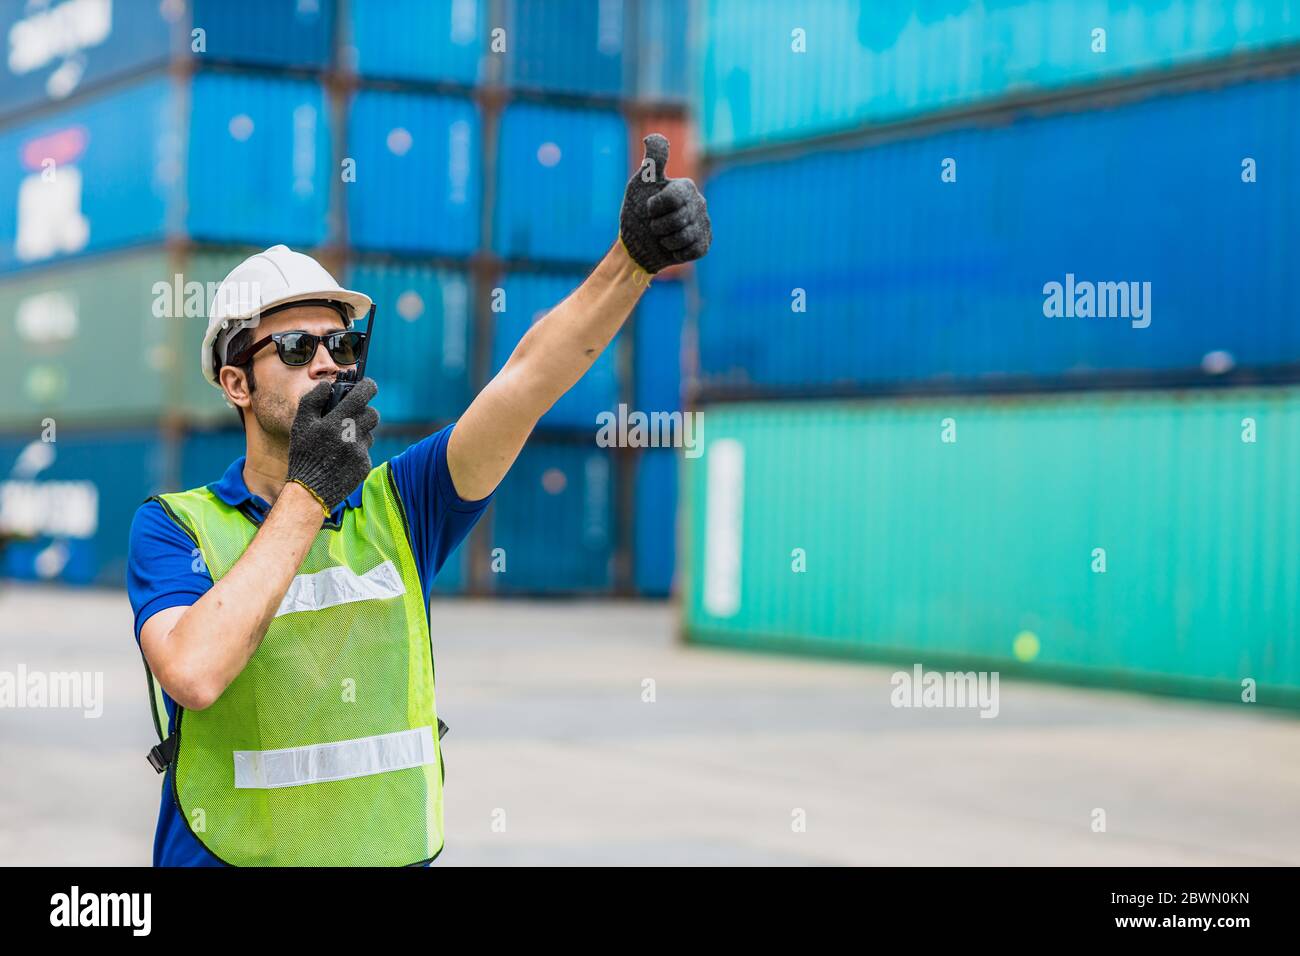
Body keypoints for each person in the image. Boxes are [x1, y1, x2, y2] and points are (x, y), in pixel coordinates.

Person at [126, 135, 710, 866]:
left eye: (342, 346)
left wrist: (631, 263)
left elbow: (528, 380)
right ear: (236, 383)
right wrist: (310, 492)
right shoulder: (174, 526)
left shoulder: (403, 504)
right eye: (298, 350)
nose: (330, 365)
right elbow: (196, 671)